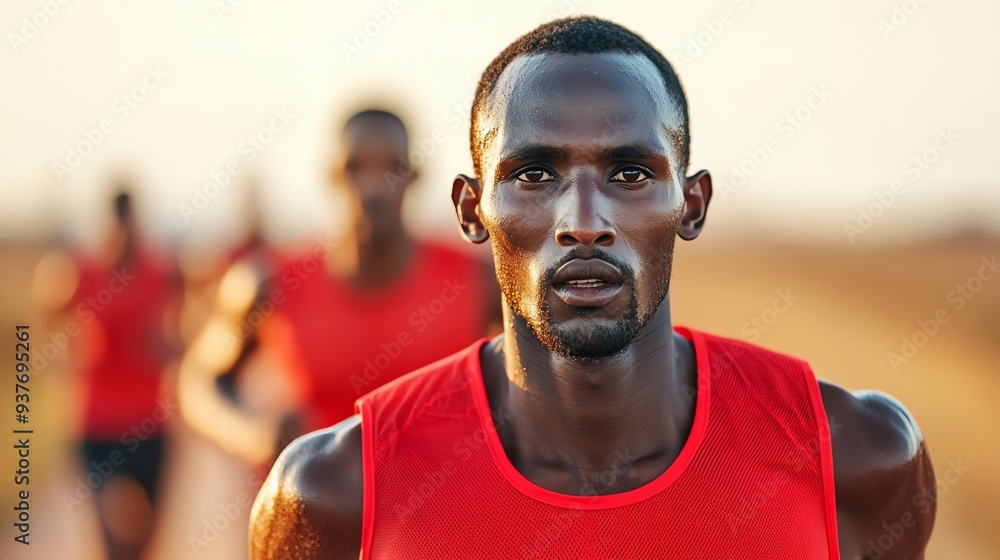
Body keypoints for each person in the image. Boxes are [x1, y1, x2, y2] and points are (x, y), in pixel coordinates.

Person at [249, 17, 936, 559]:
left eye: (630, 174)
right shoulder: (333, 494)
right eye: (535, 175)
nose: (583, 223)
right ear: (470, 209)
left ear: (692, 205)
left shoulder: (856, 456)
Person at [178, 108, 501, 467]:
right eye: (356, 168)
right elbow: (200, 379)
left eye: (390, 168)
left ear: (413, 175)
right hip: (311, 508)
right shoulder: (269, 281)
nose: (374, 188)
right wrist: (252, 433)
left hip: (441, 504)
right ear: (333, 176)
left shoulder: (476, 280)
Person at [63, 188, 180, 560]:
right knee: (111, 540)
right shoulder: (83, 271)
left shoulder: (159, 272)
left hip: (149, 425)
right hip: (96, 424)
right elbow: (47, 316)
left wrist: (166, 347)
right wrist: (69, 349)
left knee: (145, 542)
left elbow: (186, 331)